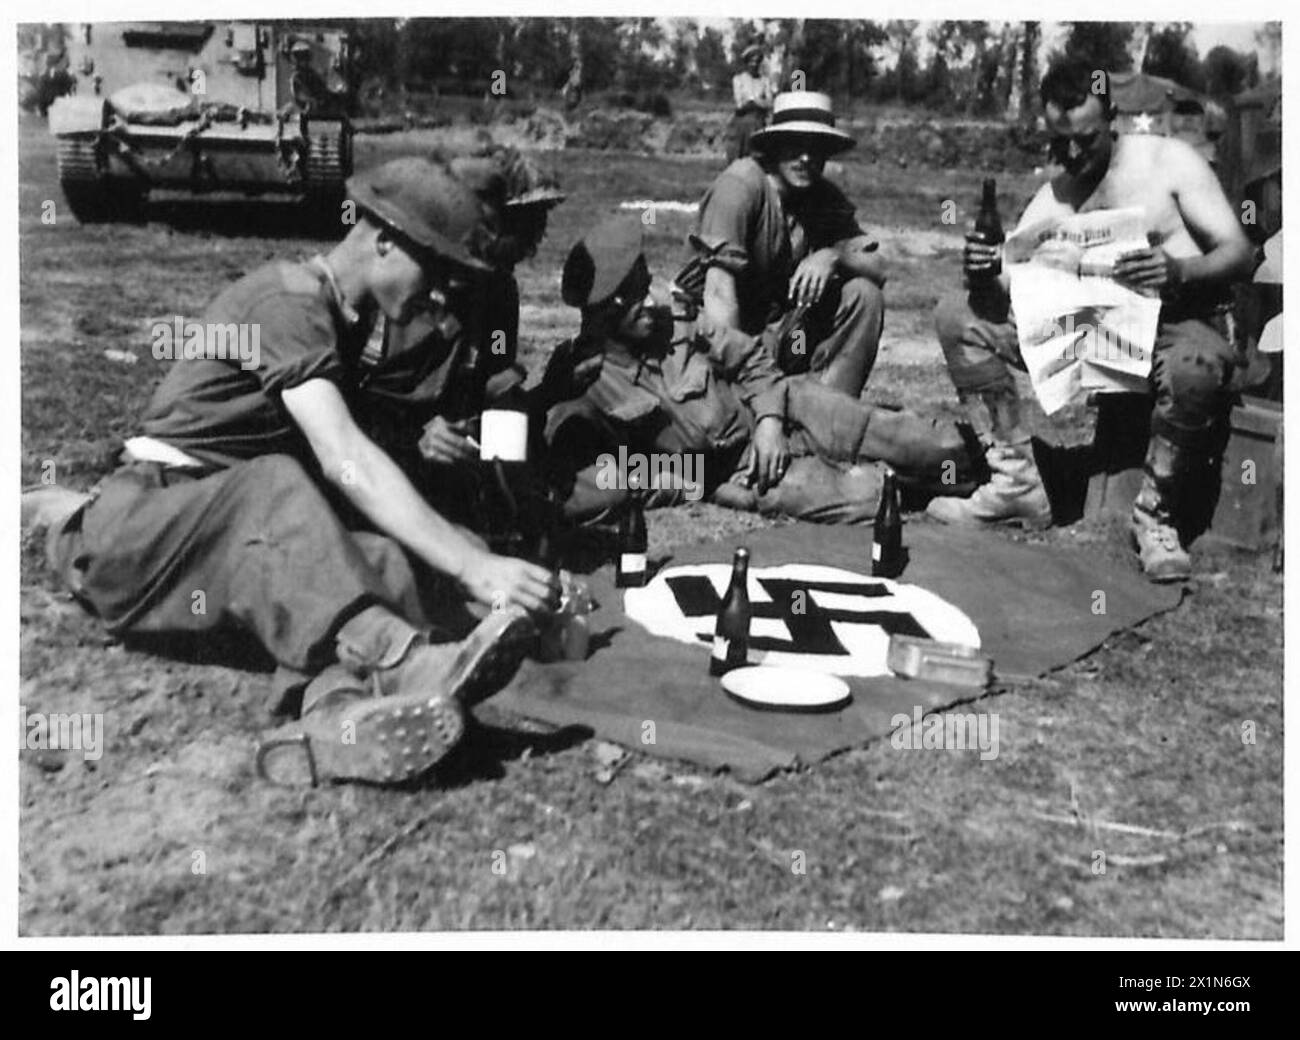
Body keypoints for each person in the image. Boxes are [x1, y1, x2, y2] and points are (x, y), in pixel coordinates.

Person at [26, 159, 561, 787]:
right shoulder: (287, 303)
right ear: (383, 240)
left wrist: (465, 558)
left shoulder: (346, 324)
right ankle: (400, 659)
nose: (441, 295)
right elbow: (345, 460)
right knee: (277, 484)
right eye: (436, 269)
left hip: (217, 543)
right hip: (135, 532)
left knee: (378, 561)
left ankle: (333, 719)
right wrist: (471, 566)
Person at [926, 60, 1255, 583]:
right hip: (1092, 331)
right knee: (956, 315)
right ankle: (1016, 484)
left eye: (1086, 139)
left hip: (1172, 325)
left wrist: (1180, 268)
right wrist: (985, 273)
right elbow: (1008, 287)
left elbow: (1242, 252)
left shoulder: (1170, 163)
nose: (1075, 153)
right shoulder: (1057, 192)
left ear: (1114, 119)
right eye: (1062, 141)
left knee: (1197, 366)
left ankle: (1156, 516)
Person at [545, 219, 972, 525]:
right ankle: (931, 489)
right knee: (864, 496)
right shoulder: (583, 381)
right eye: (634, 294)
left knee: (914, 441)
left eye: (644, 282)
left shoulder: (676, 321)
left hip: (786, 407)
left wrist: (769, 423)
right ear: (604, 311)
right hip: (744, 469)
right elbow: (615, 477)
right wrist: (706, 486)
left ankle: (992, 469)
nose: (649, 298)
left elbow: (751, 360)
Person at [357, 146, 591, 544]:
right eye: (527, 221)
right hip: (378, 461)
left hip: (459, 459)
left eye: (541, 222)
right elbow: (351, 402)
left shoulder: (499, 290)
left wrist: (550, 390)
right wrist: (415, 435)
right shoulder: (404, 286)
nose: (535, 238)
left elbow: (491, 394)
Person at [694, 91, 885, 400]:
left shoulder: (822, 196)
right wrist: (746, 383)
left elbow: (879, 267)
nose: (806, 158)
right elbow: (718, 296)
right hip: (717, 340)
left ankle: (829, 414)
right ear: (775, 145)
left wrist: (834, 256)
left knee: (864, 294)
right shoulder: (740, 187)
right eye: (796, 144)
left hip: (781, 336)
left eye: (817, 148)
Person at [726, 44, 774, 162]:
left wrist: (754, 102)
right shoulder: (739, 79)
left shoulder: (765, 81)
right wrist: (757, 102)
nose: (754, 64)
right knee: (738, 156)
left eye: (757, 61)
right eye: (751, 61)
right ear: (746, 62)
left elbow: (769, 103)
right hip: (742, 122)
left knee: (758, 156)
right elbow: (740, 105)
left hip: (759, 122)